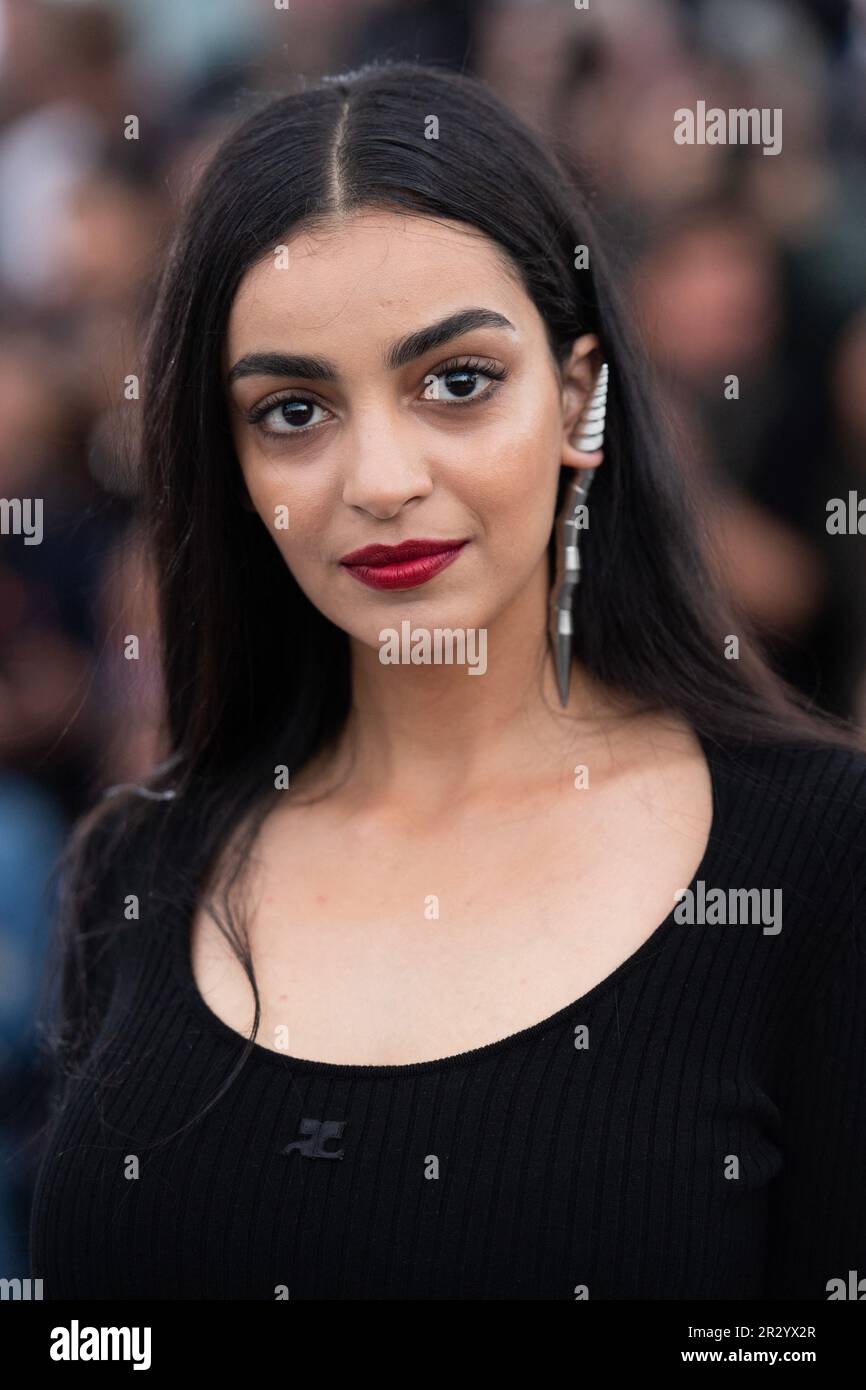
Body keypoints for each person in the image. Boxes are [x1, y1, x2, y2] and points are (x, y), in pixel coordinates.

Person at [28, 61, 866, 1301]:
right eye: (294, 409)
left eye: (455, 383)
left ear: (579, 398)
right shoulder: (136, 868)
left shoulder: (822, 855)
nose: (378, 477)